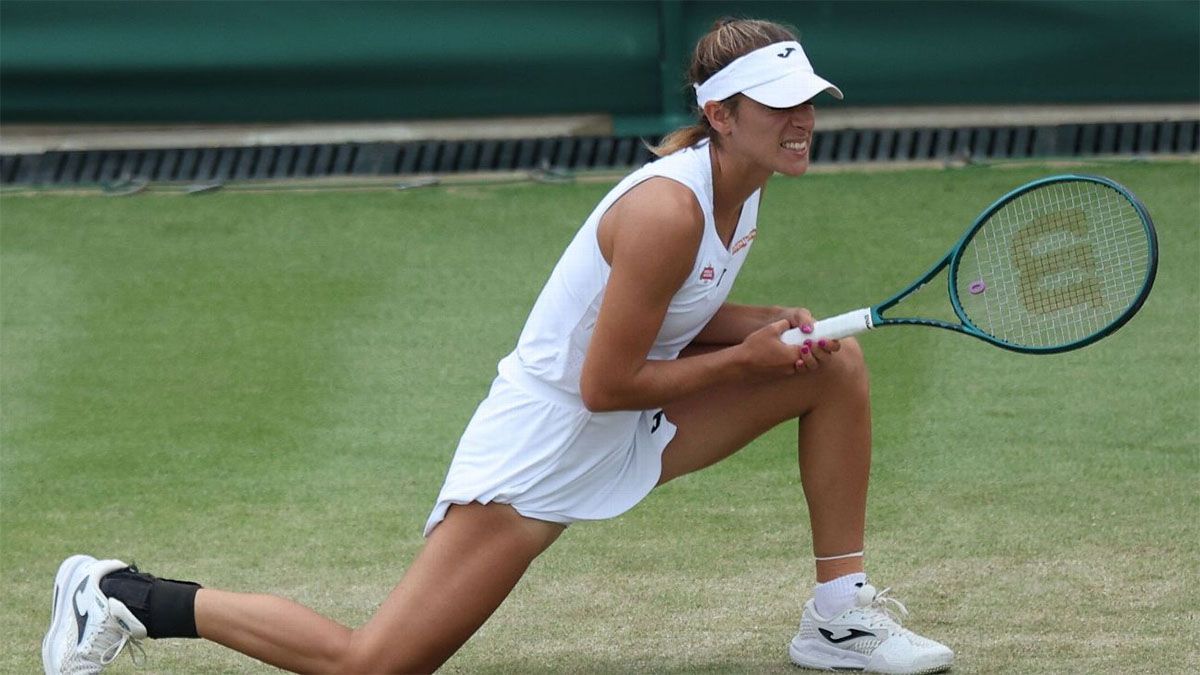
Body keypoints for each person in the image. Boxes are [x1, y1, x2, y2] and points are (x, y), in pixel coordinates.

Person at [43, 18, 954, 675]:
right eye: (780, 106)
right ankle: (122, 593)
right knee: (373, 666)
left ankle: (838, 621)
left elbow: (673, 313)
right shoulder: (667, 209)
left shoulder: (742, 185)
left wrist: (756, 321)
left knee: (832, 363)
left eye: (808, 104)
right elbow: (606, 381)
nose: (803, 121)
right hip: (546, 443)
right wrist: (747, 361)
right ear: (722, 115)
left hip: (630, 423)